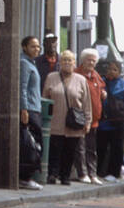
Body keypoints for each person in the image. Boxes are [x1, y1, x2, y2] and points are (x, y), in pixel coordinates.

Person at [43, 50, 89, 186]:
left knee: (70, 151)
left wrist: (88, 121)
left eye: (70, 60)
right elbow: (45, 98)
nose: (67, 63)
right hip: (55, 121)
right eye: (64, 60)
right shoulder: (51, 77)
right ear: (60, 63)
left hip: (74, 123)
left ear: (75, 63)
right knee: (54, 150)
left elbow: (86, 103)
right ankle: (52, 174)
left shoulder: (81, 80)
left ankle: (65, 176)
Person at [97, 60, 124, 181]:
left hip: (119, 124)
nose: (111, 72)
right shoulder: (100, 83)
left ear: (119, 72)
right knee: (100, 149)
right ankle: (99, 172)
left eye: (115, 69)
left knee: (117, 149)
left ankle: (114, 173)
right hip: (103, 124)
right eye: (109, 69)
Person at [76, 49, 107, 184]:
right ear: (83, 60)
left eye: (94, 60)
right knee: (80, 148)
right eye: (89, 59)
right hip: (80, 117)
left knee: (91, 148)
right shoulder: (77, 74)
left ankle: (92, 173)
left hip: (94, 119)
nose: (91, 62)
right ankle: (83, 174)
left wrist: (103, 93)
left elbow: (102, 88)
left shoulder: (95, 75)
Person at [19, 36, 45, 190]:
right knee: (30, 145)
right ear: (24, 47)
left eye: (38, 47)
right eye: (33, 46)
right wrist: (24, 109)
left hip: (36, 108)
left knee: (36, 144)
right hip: (29, 109)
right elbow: (22, 87)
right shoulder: (24, 63)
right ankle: (25, 177)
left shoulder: (32, 64)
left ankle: (28, 176)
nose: (37, 49)